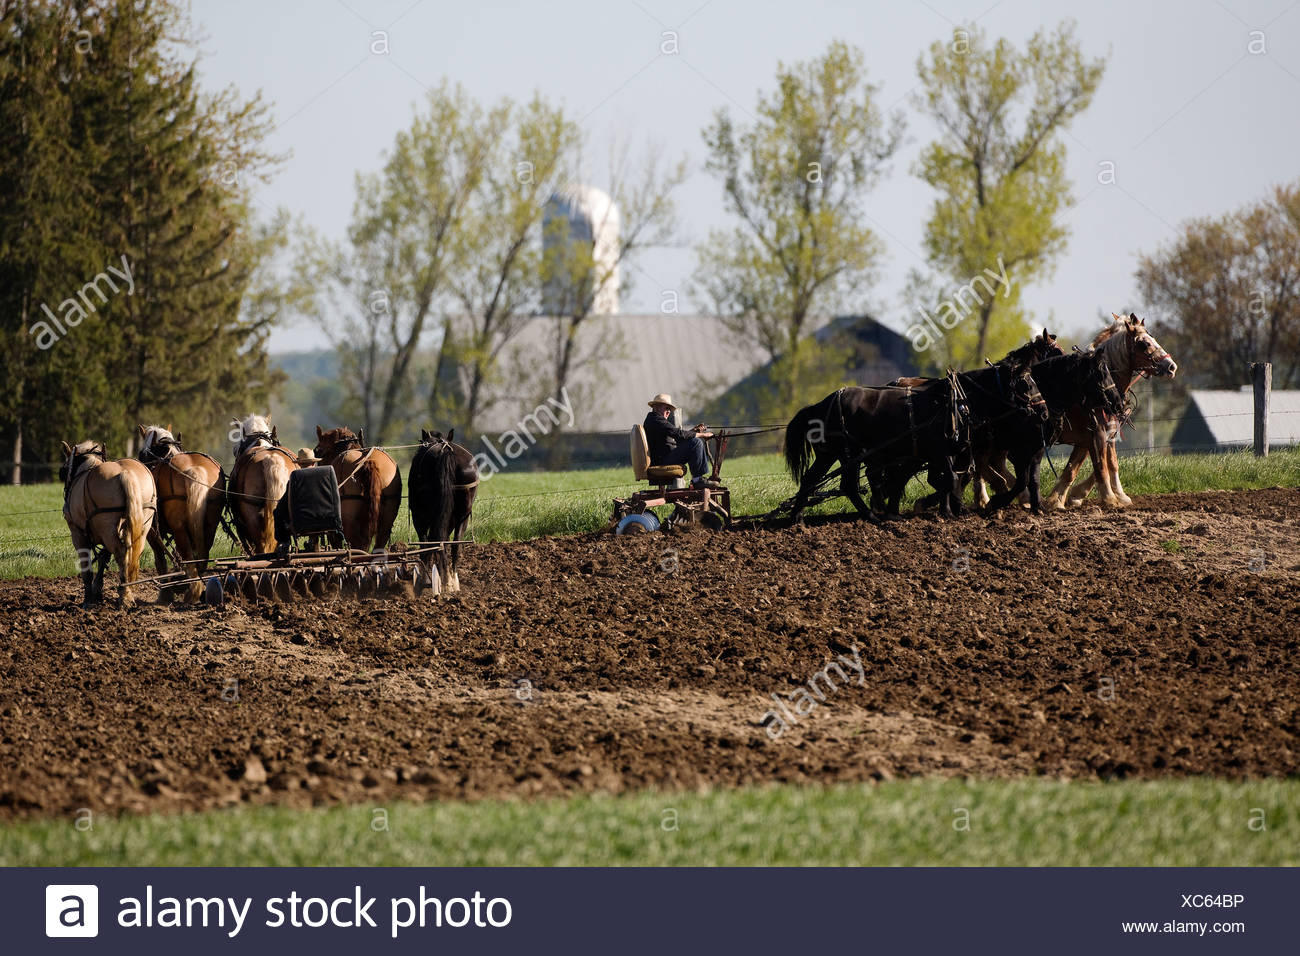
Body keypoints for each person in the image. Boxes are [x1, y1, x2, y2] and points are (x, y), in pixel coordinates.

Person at [642, 393, 719, 489]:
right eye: (666, 408)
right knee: (696, 443)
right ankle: (697, 480)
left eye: (669, 409)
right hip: (662, 460)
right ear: (656, 407)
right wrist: (703, 435)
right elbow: (678, 434)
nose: (669, 411)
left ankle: (698, 479)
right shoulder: (656, 420)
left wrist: (693, 432)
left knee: (694, 442)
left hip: (663, 458)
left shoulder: (654, 419)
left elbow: (677, 437)